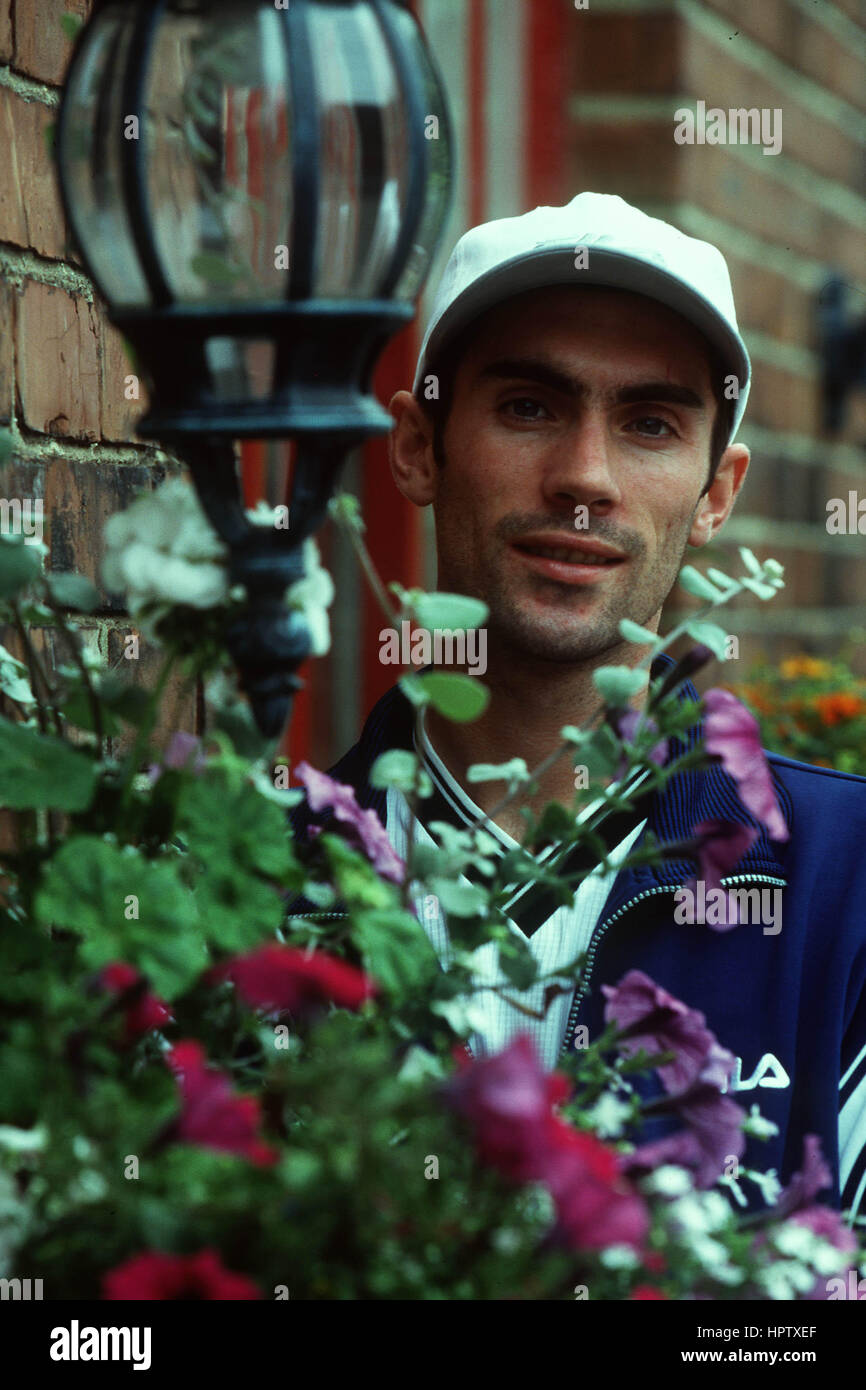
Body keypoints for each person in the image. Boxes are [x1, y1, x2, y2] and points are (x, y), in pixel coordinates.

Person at [289, 193, 866, 1220]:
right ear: (419, 446)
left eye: (648, 422)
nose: (583, 477)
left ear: (714, 490)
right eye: (528, 406)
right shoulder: (253, 873)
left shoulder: (846, 880)